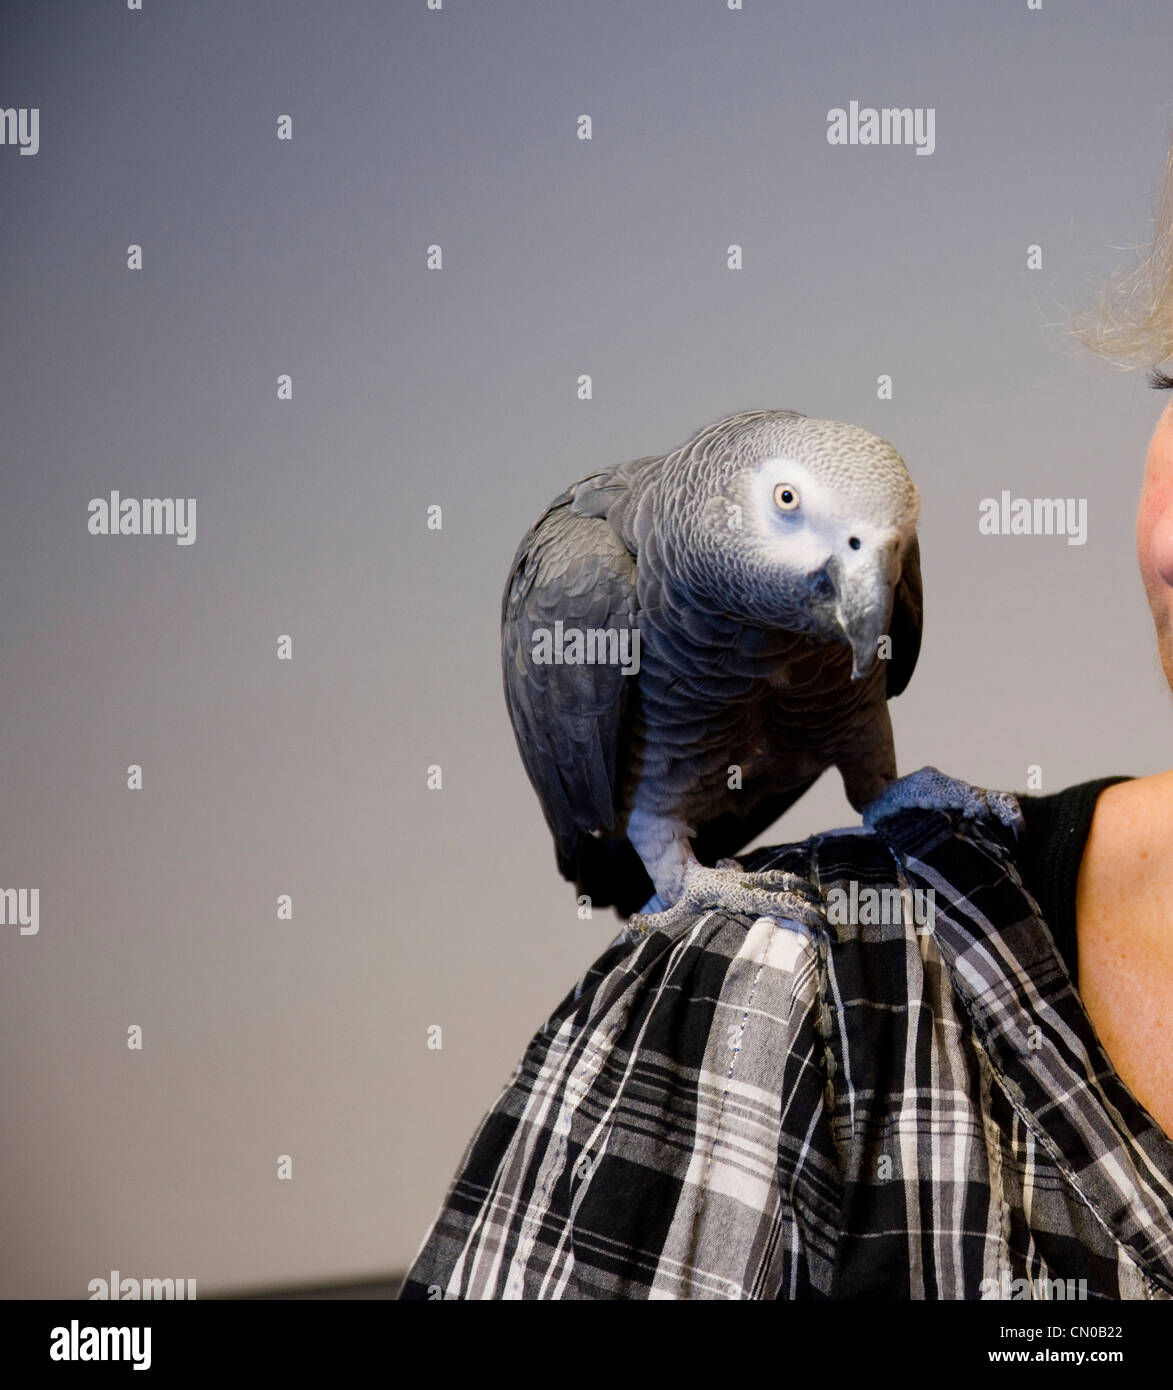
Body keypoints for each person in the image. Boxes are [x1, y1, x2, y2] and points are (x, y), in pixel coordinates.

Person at [398, 139, 1173, 1301]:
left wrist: (896, 799)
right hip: (663, 847)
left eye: (888, 544)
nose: (1163, 545)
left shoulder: (859, 573)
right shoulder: (757, 987)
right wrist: (690, 900)